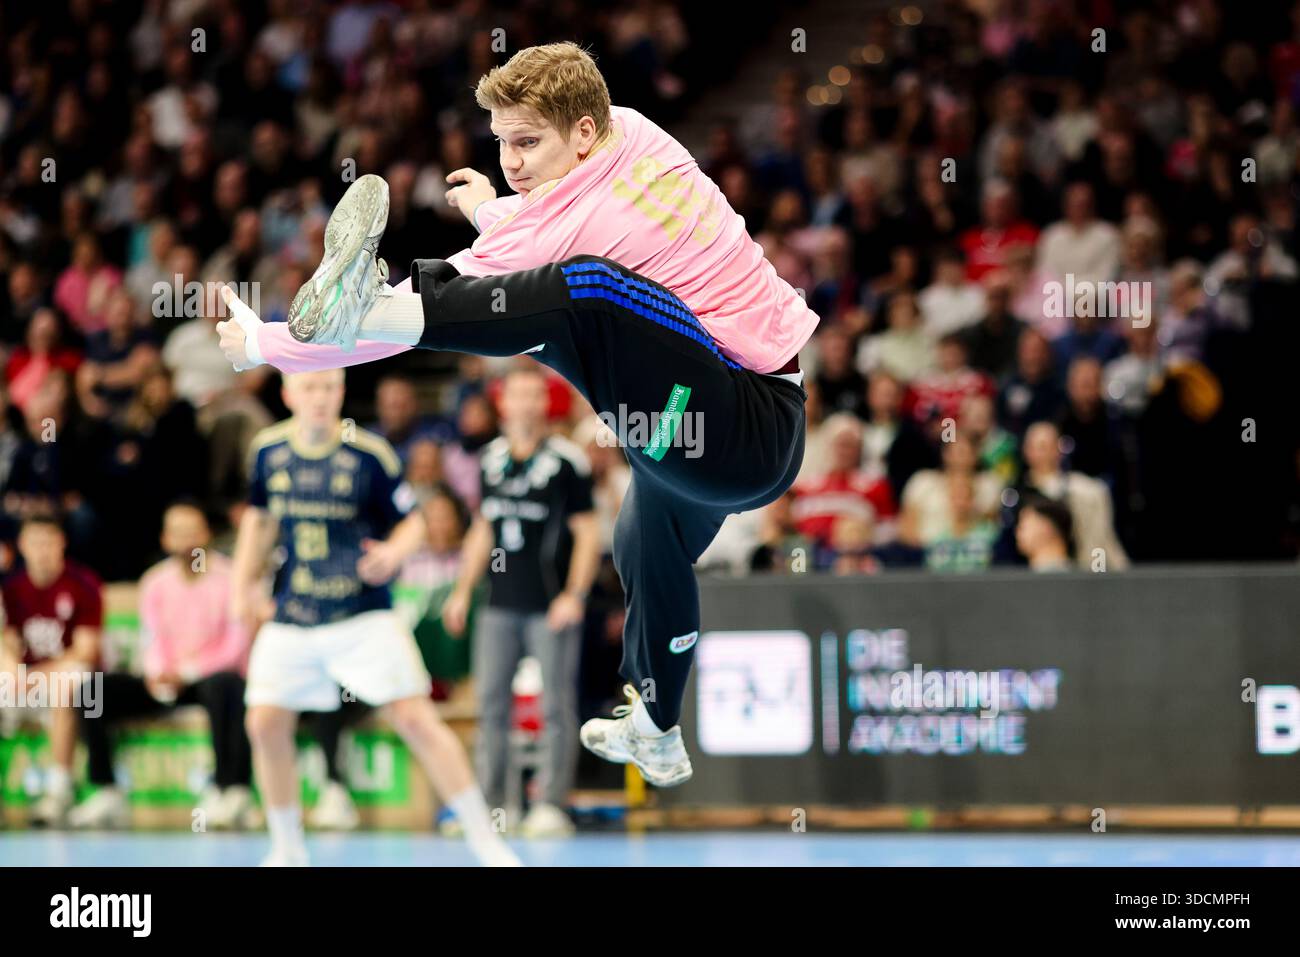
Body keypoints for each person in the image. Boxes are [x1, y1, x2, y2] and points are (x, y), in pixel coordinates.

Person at [217, 42, 816, 787]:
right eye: (501, 143)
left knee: (582, 292)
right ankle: (658, 725)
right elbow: (562, 216)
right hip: (694, 441)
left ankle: (359, 303)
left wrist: (271, 345)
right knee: (643, 544)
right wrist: (496, 219)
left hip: (744, 422)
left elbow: (556, 240)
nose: (512, 161)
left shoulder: (559, 230)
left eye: (527, 142)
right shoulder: (634, 131)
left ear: (585, 132)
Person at [231, 368, 519, 866]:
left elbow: (412, 521)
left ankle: (484, 839)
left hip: (362, 614)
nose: (319, 397)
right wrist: (242, 586)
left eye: (328, 387)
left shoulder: (369, 455)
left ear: (340, 391)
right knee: (263, 721)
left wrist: (393, 552)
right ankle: (287, 848)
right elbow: (259, 519)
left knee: (415, 717)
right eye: (309, 388)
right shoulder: (267, 450)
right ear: (288, 394)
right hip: (294, 611)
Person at [442, 366, 600, 837]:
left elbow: (587, 533)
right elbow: (482, 528)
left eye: (535, 396)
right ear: (502, 403)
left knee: (555, 705)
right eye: (518, 396)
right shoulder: (490, 459)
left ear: (545, 404)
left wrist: (574, 595)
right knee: (490, 704)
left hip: (549, 604)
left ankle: (550, 805)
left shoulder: (568, 461)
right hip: (498, 604)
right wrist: (461, 590)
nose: (526, 405)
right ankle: (494, 806)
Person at [67, 501, 254, 829]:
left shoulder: (230, 578)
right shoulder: (155, 582)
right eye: (178, 533)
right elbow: (151, 638)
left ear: (206, 534)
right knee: (92, 691)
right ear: (166, 540)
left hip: (206, 679)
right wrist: (157, 674)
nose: (186, 541)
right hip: (163, 680)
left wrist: (188, 672)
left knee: (228, 684)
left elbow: (236, 646)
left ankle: (229, 789)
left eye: (192, 532)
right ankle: (106, 789)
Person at [0, 514, 102, 827]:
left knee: (64, 687)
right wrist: (15, 672)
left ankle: (59, 790)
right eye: (35, 542)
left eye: (49, 541)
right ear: (22, 546)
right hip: (25, 680)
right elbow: (6, 641)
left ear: (62, 544)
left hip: (78, 680)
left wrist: (37, 676)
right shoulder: (11, 588)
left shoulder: (83, 584)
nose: (42, 549)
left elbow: (86, 650)